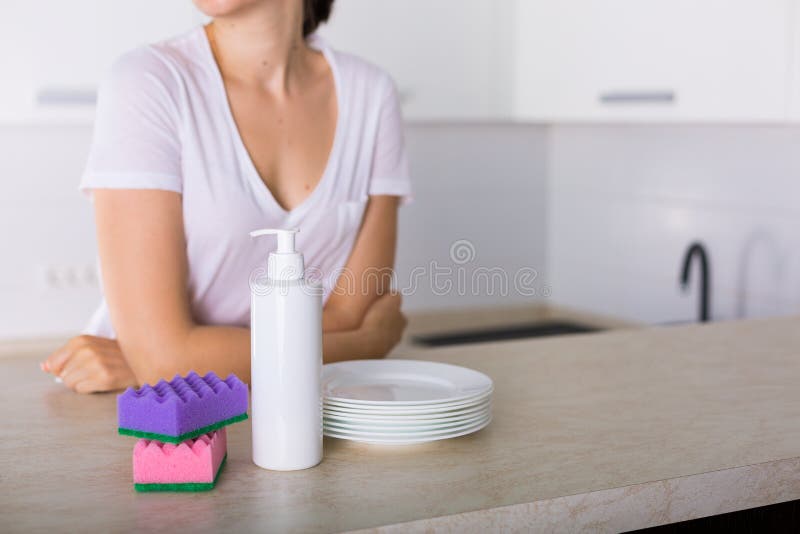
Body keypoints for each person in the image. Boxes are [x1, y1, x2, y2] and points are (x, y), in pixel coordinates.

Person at [40, 0, 411, 393]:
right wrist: (364, 345)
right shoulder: (149, 81)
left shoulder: (371, 94)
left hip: (307, 407)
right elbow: (163, 360)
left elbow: (350, 313)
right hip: (158, 416)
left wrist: (188, 358)